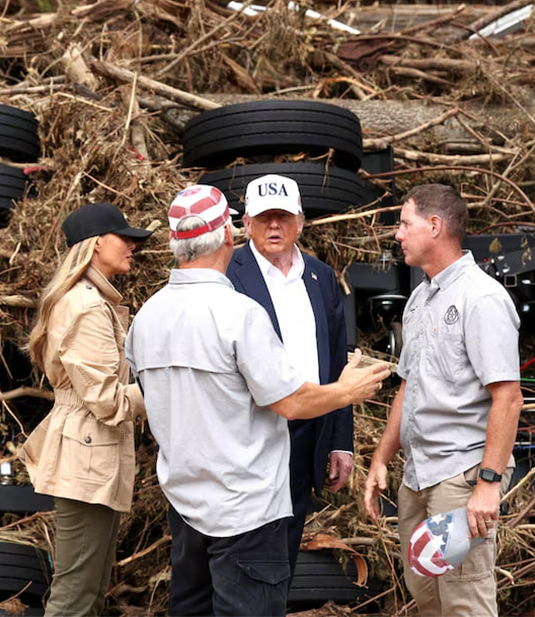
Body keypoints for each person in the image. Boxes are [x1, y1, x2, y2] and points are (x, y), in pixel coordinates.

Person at [125, 184, 390, 617]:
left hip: (187, 501)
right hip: (246, 508)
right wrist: (348, 390)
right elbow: (289, 402)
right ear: (232, 234)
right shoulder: (238, 314)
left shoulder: (147, 317)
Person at [362, 183, 523, 617]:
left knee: (464, 600)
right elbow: (408, 387)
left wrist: (488, 484)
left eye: (404, 223)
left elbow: (508, 398)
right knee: (427, 597)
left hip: (461, 476)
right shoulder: (420, 298)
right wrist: (381, 460)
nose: (397, 234)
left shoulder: (482, 298)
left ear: (434, 226)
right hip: (418, 478)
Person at [19, 202, 151, 617]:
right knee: (76, 597)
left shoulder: (93, 300)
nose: (132, 245)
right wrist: (169, 391)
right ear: (96, 244)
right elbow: (108, 401)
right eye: (124, 237)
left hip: (90, 454)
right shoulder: (88, 306)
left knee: (89, 592)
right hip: (87, 458)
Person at [225, 173, 352, 576]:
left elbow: (338, 363)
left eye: (282, 217)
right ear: (246, 223)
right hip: (251, 434)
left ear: (300, 222)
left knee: (287, 555)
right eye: (264, 218)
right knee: (247, 559)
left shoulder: (321, 276)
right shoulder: (228, 273)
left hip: (308, 433)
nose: (273, 226)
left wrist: (340, 441)